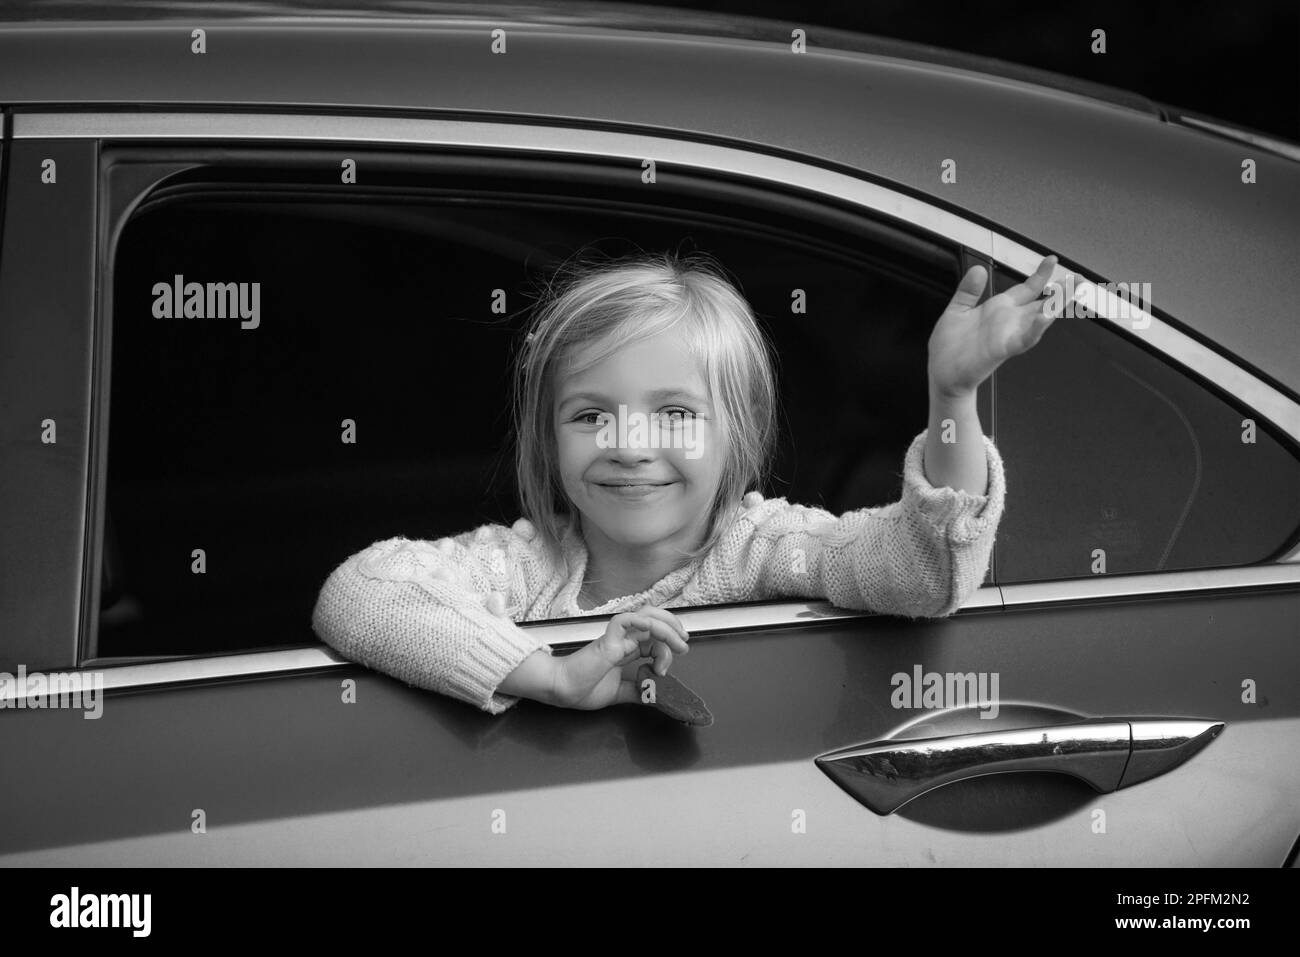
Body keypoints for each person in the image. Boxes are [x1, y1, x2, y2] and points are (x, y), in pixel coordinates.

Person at [311, 249, 1059, 715]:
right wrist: (551, 677)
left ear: (737, 432)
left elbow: (924, 571)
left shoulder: (764, 546)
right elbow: (361, 590)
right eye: (590, 416)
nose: (631, 447)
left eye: (673, 414)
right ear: (548, 440)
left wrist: (952, 398)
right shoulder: (524, 564)